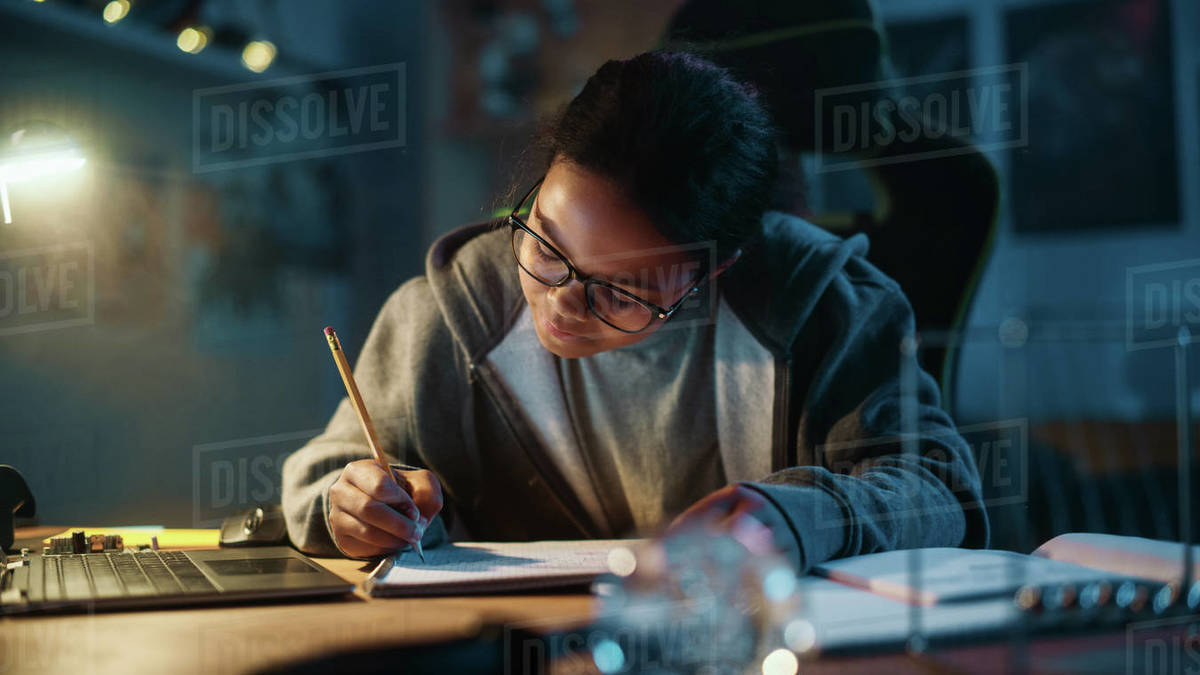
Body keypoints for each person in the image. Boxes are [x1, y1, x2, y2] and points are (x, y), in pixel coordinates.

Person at [281, 50, 988, 572]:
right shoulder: (443, 316)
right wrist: (356, 508)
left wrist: (800, 515)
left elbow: (939, 486)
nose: (560, 299)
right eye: (545, 242)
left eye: (620, 290)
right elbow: (323, 477)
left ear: (716, 268)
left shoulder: (827, 307)